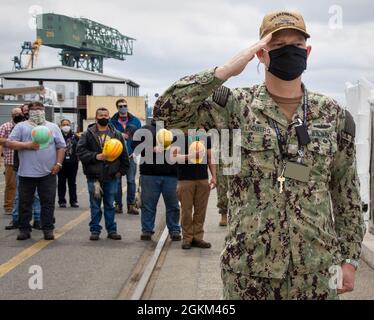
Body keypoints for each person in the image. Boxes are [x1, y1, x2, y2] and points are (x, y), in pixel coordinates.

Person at [152, 10, 365, 299]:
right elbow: (167, 112)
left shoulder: (332, 114)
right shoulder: (235, 107)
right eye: (278, 46)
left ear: (308, 52)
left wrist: (350, 259)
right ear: (261, 53)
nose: (289, 51)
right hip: (249, 274)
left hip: (317, 273)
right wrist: (225, 70)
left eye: (296, 46)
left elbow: (346, 193)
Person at [6, 101, 66, 241]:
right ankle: (24, 229)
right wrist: (27, 145)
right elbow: (10, 143)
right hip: (26, 173)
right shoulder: (21, 127)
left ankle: (48, 229)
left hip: (48, 173)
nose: (37, 112)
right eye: (34, 110)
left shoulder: (53, 127)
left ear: (44, 111)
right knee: (24, 202)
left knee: (48, 202)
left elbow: (61, 146)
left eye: (40, 109)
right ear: (28, 112)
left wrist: (58, 164)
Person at [77, 107, 129, 241]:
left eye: (106, 115)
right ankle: (95, 230)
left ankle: (112, 230)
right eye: (101, 115)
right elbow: (80, 152)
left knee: (110, 205)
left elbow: (124, 155)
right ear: (96, 117)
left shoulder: (116, 134)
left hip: (111, 176)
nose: (103, 117)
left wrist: (121, 171)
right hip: (94, 177)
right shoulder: (87, 134)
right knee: (95, 205)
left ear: (109, 117)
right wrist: (95, 156)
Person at [132, 121, 181, 241]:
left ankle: (174, 230)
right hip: (150, 174)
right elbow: (135, 147)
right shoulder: (146, 129)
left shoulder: (176, 130)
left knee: (173, 205)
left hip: (172, 174)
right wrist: (151, 149)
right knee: (148, 205)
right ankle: (147, 230)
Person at [172, 133, 216, 250]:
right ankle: (187, 238)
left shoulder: (205, 137)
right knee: (186, 210)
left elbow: (211, 157)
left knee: (201, 210)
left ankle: (198, 237)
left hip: (202, 179)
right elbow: (174, 157)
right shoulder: (179, 137)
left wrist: (214, 176)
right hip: (185, 179)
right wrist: (191, 156)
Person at [110, 99, 141, 215]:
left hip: (131, 156)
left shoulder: (136, 121)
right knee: (117, 181)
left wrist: (136, 151)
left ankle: (131, 205)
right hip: (116, 157)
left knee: (131, 181)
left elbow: (140, 138)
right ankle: (118, 205)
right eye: (120, 106)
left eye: (125, 105)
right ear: (117, 108)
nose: (123, 108)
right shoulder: (111, 122)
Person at [0, 108, 24, 214]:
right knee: (11, 184)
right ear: (12, 115)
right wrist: (11, 141)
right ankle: (8, 206)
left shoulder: (25, 126)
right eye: (16, 114)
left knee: (24, 185)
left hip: (24, 160)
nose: (18, 115)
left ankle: (20, 206)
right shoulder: (5, 126)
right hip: (10, 160)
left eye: (19, 113)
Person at [58, 119, 80, 208]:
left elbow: (80, 147)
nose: (65, 126)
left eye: (67, 124)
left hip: (73, 163)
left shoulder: (75, 136)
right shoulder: (58, 135)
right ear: (60, 126)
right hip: (61, 163)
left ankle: (73, 201)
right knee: (61, 182)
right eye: (64, 124)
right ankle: (62, 201)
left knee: (72, 182)